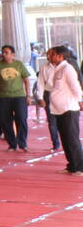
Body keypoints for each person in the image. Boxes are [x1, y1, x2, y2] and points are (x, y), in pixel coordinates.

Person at [42, 46, 83, 176]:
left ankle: (80, 167)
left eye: (53, 54)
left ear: (60, 56)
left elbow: (75, 87)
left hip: (69, 108)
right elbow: (50, 86)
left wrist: (80, 101)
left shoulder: (68, 69)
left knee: (72, 139)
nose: (50, 56)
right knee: (65, 139)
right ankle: (71, 165)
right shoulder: (56, 69)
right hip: (58, 110)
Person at [0, 46, 31, 152]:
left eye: (6, 52)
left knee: (21, 119)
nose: (4, 54)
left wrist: (28, 95)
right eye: (3, 52)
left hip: (19, 96)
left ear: (13, 54)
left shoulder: (19, 64)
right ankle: (12, 144)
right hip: (2, 97)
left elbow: (26, 80)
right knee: (5, 121)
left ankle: (22, 143)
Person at [36, 51, 62, 150]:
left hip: (62, 95)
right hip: (48, 94)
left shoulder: (65, 67)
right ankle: (55, 143)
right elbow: (40, 83)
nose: (48, 57)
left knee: (64, 121)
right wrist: (40, 98)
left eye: (51, 54)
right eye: (47, 55)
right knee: (52, 122)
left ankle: (67, 141)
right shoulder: (44, 67)